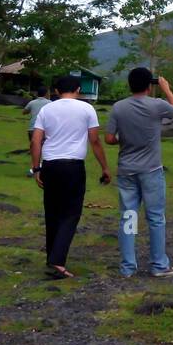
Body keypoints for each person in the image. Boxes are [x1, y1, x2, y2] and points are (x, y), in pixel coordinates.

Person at [30, 75, 111, 279]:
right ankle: (57, 261)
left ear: (56, 91)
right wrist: (105, 168)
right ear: (77, 89)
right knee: (71, 213)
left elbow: (36, 141)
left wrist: (36, 168)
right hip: (73, 166)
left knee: (52, 213)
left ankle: (52, 259)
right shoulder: (86, 109)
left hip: (50, 165)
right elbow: (95, 141)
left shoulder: (46, 109)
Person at [106, 68, 173, 278]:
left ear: (130, 85)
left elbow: (109, 139)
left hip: (126, 171)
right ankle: (159, 265)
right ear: (149, 86)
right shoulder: (156, 106)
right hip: (151, 171)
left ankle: (128, 267)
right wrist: (167, 89)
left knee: (129, 216)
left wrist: (124, 139)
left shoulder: (118, 107)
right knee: (156, 217)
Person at [23, 86, 52, 177]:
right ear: (46, 94)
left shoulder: (32, 103)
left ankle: (34, 167)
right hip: (44, 129)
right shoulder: (50, 103)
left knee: (34, 149)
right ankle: (42, 167)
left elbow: (24, 112)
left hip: (32, 129)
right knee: (44, 149)